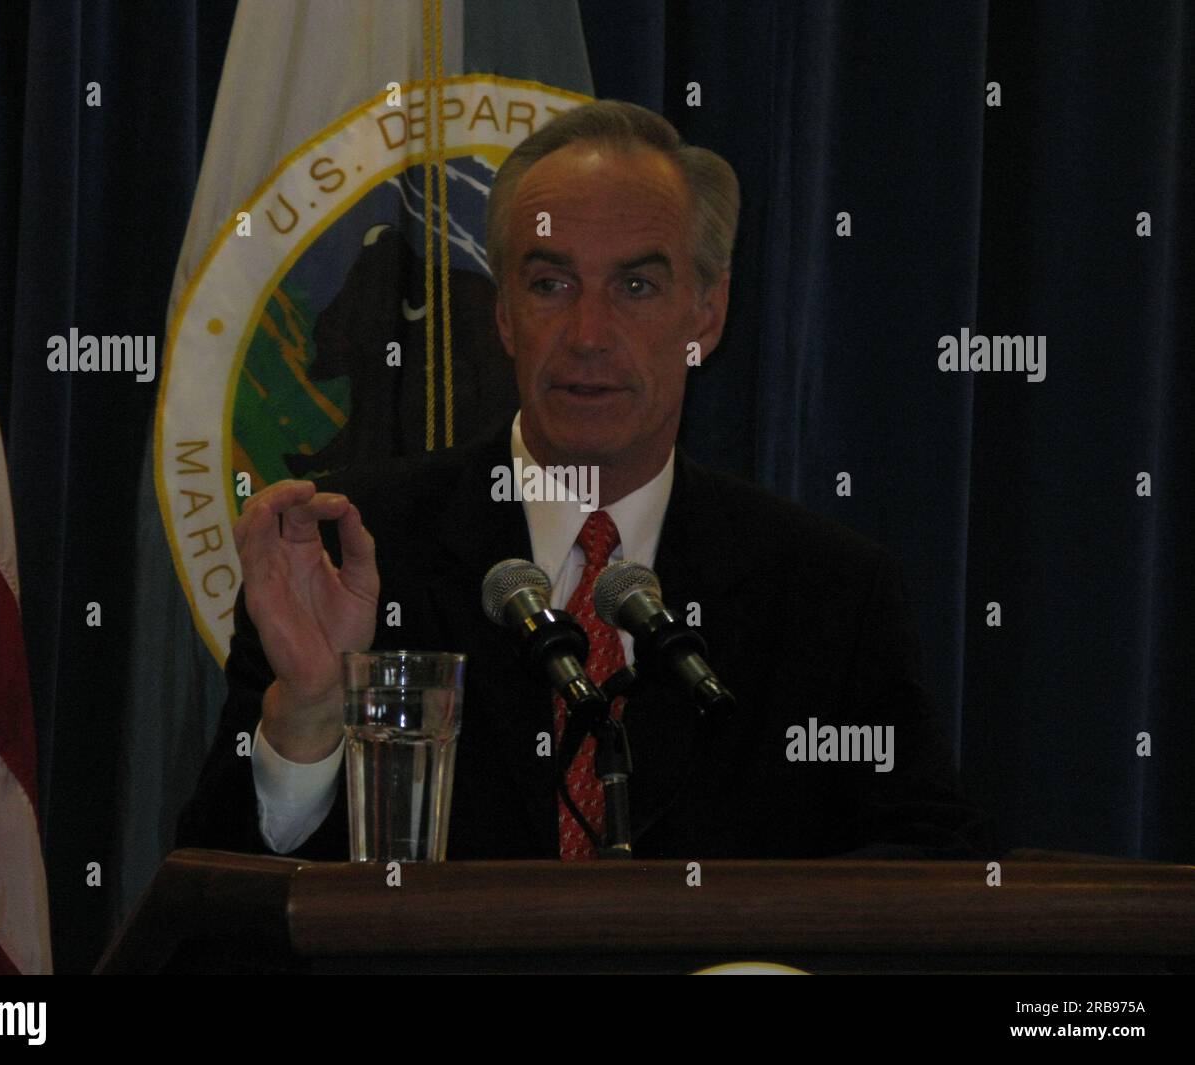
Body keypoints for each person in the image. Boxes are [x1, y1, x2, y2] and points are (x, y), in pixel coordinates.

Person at [177, 100, 992, 862]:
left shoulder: (828, 596)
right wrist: (312, 712)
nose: (589, 334)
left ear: (706, 315)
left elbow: (925, 877)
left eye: (637, 286)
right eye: (550, 284)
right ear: (503, 314)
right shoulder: (354, 552)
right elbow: (217, 896)